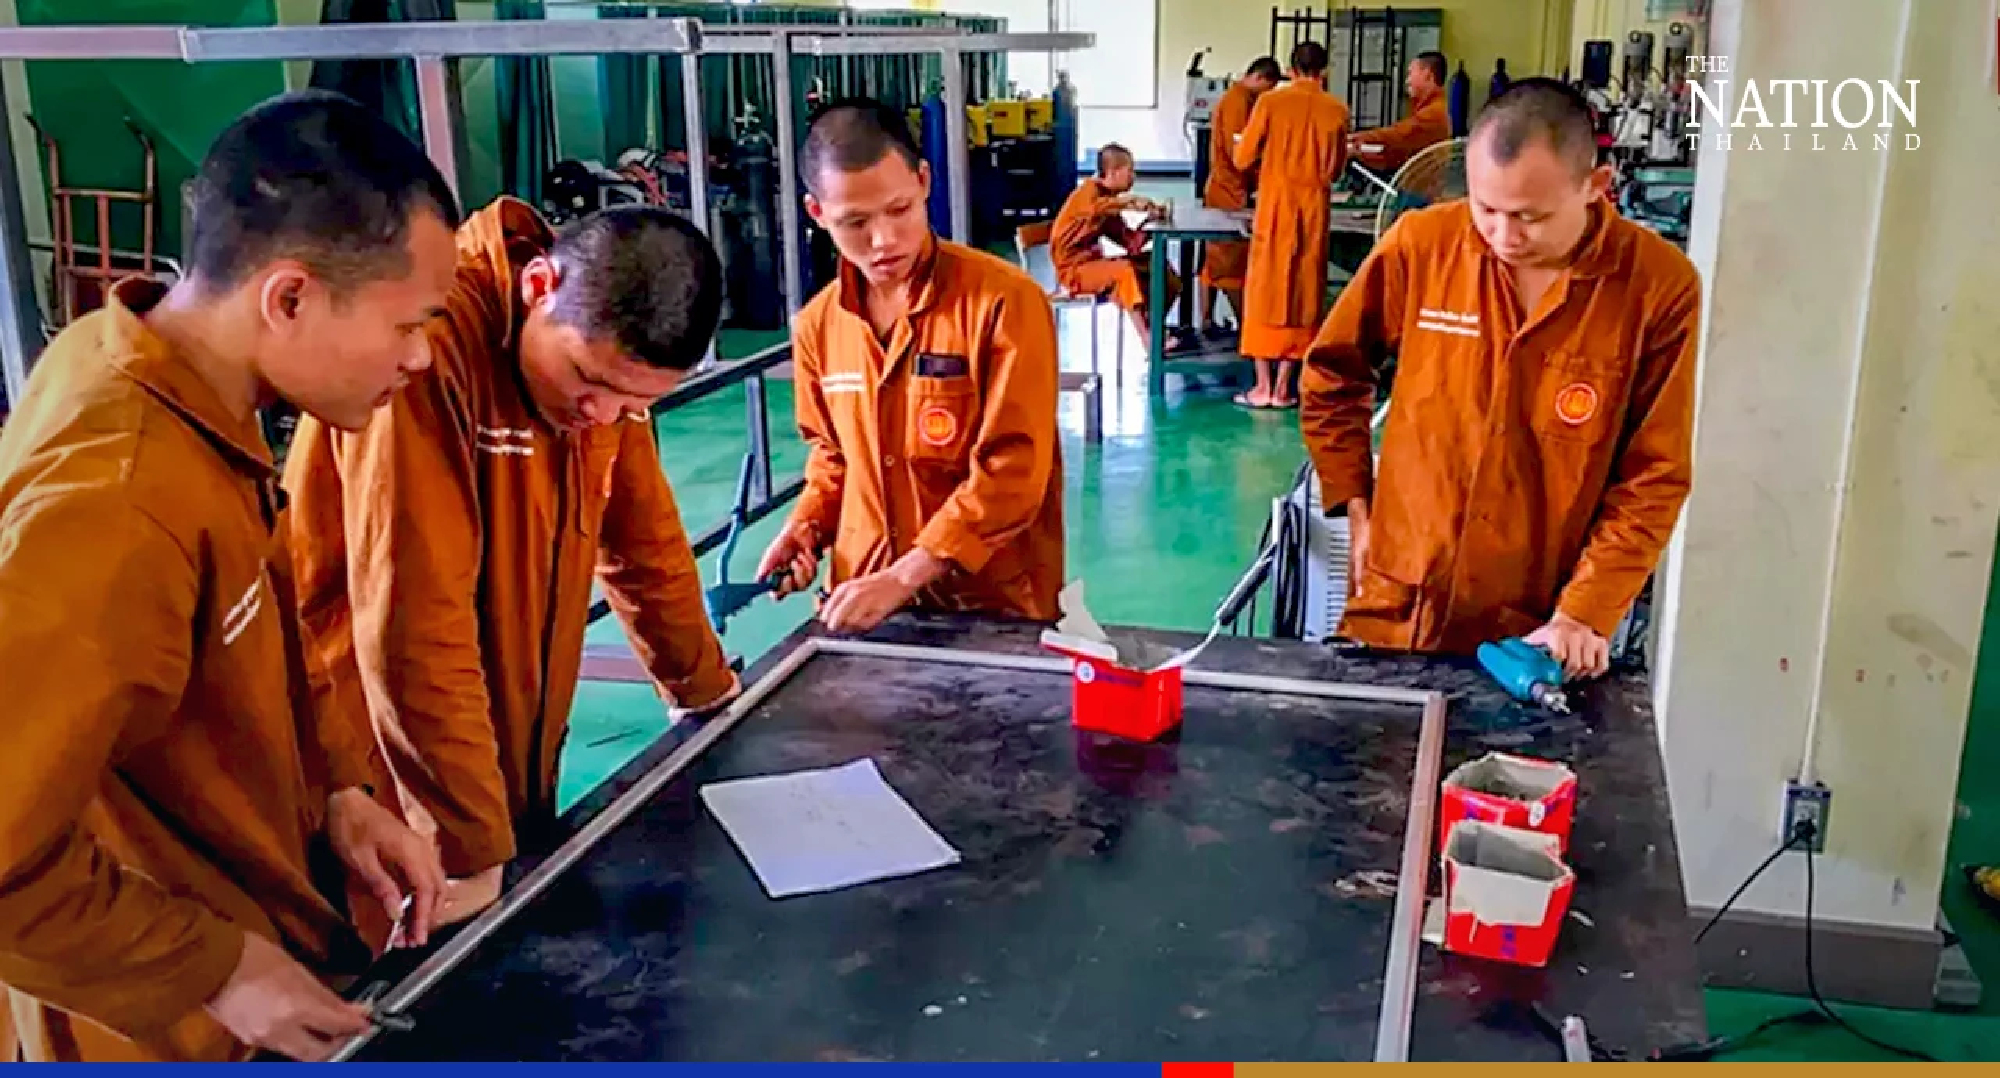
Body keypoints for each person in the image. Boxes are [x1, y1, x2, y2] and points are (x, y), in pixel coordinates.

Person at [0, 90, 455, 1063]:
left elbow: (264, 636)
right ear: (287, 298)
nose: (420, 358)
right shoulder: (119, 503)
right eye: (409, 324)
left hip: (248, 943)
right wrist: (210, 967)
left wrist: (338, 787)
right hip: (154, 1025)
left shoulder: (186, 385)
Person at [285, 198, 740, 927]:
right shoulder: (428, 353)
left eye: (633, 404)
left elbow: (643, 540)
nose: (602, 414)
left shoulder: (600, 386)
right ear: (537, 287)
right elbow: (413, 625)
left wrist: (705, 695)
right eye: (591, 382)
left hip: (509, 739)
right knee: (400, 978)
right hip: (378, 767)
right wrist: (463, 843)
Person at [1299, 78, 1699, 677]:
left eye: (1531, 218)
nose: (1504, 237)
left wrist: (1585, 610)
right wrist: (1355, 501)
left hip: (1536, 628)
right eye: (1486, 210)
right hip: (1401, 599)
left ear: (1595, 187)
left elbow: (1655, 473)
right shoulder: (1424, 245)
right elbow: (1333, 373)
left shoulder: (1656, 287)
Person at [756, 98, 1063, 633]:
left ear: (924, 181)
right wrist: (807, 527)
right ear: (817, 214)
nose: (883, 241)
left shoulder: (1002, 303)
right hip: (864, 602)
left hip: (989, 605)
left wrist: (908, 574)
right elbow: (833, 459)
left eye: (899, 210)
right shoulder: (817, 327)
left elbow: (1012, 470)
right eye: (854, 222)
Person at [1234, 41, 1351, 410]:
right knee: (1303, 293)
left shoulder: (1270, 103)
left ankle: (1262, 386)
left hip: (1276, 207)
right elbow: (1335, 169)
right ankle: (1285, 388)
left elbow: (1241, 158)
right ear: (1324, 71)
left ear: (1290, 69)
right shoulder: (1336, 110)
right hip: (1314, 210)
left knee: (1267, 290)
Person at [1050, 143, 1174, 354]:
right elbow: (1097, 209)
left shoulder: (1108, 203)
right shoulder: (1088, 194)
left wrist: (1151, 221)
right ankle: (1148, 341)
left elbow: (1130, 243)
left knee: (1157, 265)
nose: (1133, 177)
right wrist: (1131, 202)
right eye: (1130, 170)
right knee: (1124, 271)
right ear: (1114, 172)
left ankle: (1156, 326)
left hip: (1094, 264)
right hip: (1073, 271)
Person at [1198, 55, 1283, 336]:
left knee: (1215, 260)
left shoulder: (1242, 100)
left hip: (1227, 189)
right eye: (1267, 89)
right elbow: (1240, 155)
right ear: (1259, 78)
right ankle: (1246, 327)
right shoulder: (1237, 103)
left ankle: (1208, 320)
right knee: (1230, 264)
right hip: (1229, 192)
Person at [1348, 50, 1452, 178]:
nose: (1407, 81)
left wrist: (1355, 139)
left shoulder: (1433, 114)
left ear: (1427, 75)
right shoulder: (1426, 109)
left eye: (1410, 74)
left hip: (1420, 189)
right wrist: (1360, 150)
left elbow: (1397, 136)